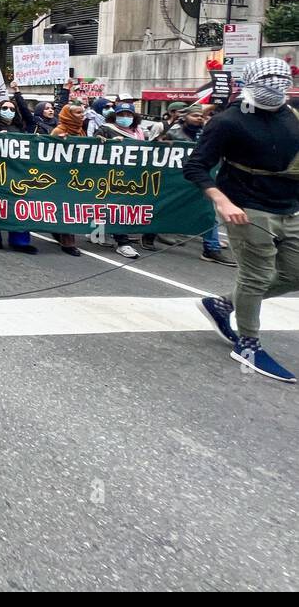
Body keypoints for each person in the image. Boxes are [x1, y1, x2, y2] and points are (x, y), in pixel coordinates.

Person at [187, 56, 299, 383]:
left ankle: (224, 305)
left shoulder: (292, 115)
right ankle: (248, 343)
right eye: (268, 78)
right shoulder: (227, 122)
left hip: (289, 207)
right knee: (256, 275)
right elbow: (196, 166)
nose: (276, 84)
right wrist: (221, 202)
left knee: (294, 274)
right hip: (247, 207)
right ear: (249, 83)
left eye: (281, 77)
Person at [158, 104, 234, 265]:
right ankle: (150, 235)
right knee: (166, 207)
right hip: (175, 181)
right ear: (184, 117)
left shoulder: (207, 132)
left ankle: (211, 248)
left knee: (207, 213)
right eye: (194, 115)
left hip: (200, 179)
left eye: (201, 116)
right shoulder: (172, 133)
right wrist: (162, 143)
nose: (199, 118)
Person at [0, 83, 38, 254]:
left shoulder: (21, 128)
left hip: (18, 174)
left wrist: (18, 94)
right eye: (5, 108)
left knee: (19, 207)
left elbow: (30, 118)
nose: (9, 111)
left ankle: (20, 241)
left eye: (12, 109)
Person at [94, 102, 146, 258]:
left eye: (129, 115)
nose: (125, 118)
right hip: (111, 176)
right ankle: (122, 242)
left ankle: (99, 233)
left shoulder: (138, 132)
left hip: (133, 176)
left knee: (121, 208)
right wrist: (101, 139)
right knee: (115, 207)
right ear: (114, 116)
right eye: (121, 115)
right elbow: (95, 141)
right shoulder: (107, 129)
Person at [49, 102, 87, 256]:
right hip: (61, 177)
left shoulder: (80, 131)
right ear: (69, 115)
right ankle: (68, 243)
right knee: (67, 208)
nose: (82, 116)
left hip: (76, 176)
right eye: (78, 113)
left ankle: (58, 232)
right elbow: (49, 153)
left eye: (82, 113)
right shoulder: (58, 131)